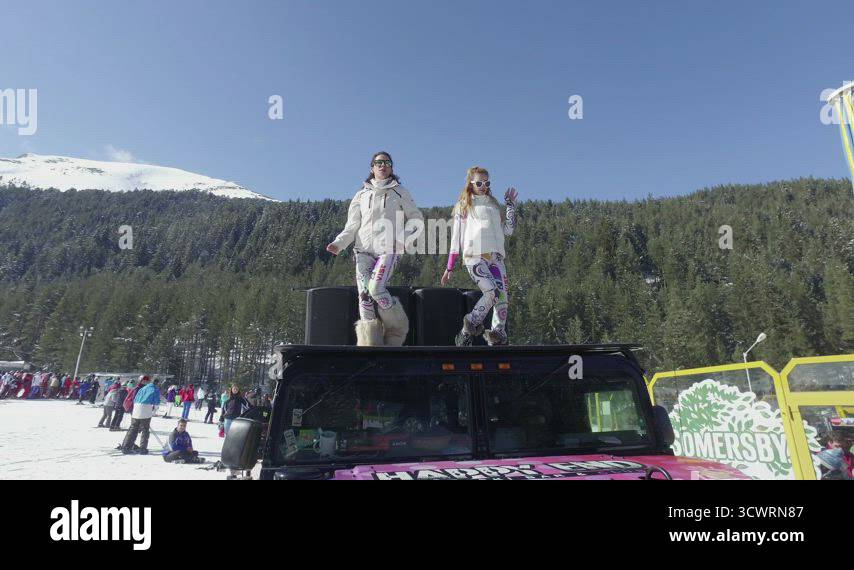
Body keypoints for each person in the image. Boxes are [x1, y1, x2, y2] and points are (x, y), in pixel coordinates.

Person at [326, 151, 424, 346]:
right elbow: (352, 225)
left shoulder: (400, 191)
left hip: (388, 249)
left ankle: (397, 330)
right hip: (362, 252)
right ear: (372, 168)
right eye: (378, 162)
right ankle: (370, 345)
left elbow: (416, 219)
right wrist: (339, 243)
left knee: (376, 288)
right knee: (364, 297)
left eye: (387, 162)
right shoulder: (361, 195)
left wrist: (402, 239)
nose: (383, 165)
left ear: (391, 168)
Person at [442, 166, 518, 347]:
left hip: (496, 257)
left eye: (487, 182)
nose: (483, 186)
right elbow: (456, 237)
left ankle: (498, 336)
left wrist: (510, 207)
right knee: (491, 292)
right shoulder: (464, 204)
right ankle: (469, 326)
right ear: (470, 183)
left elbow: (509, 230)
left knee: (502, 298)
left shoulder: (493, 204)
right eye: (479, 183)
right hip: (474, 255)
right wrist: (450, 266)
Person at [121, 376, 161, 455]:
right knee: (145, 430)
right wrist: (154, 409)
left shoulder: (142, 388)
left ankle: (126, 446)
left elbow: (135, 398)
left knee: (133, 428)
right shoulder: (154, 389)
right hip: (145, 409)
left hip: (136, 409)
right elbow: (156, 401)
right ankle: (143, 449)